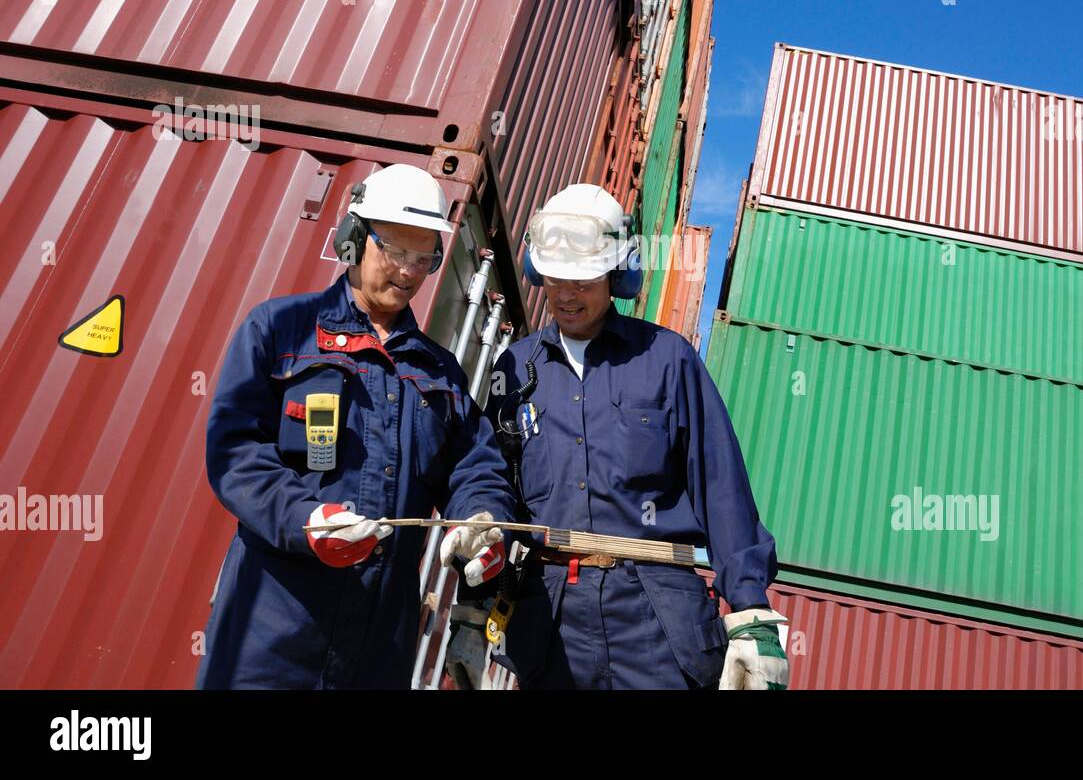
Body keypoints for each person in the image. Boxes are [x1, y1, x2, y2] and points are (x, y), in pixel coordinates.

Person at [196, 164, 514, 689]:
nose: (409, 272)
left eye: (424, 257)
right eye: (394, 250)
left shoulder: (440, 374)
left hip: (376, 647)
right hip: (269, 632)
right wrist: (304, 517)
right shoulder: (279, 331)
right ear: (354, 239)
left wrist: (481, 517)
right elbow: (235, 452)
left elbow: (474, 467)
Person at [480, 183, 789, 689]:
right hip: (551, 621)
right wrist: (475, 603)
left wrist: (752, 611)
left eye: (581, 280)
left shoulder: (667, 360)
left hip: (657, 619)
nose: (564, 294)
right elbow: (491, 486)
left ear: (618, 272)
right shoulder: (514, 369)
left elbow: (721, 486)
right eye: (555, 277)